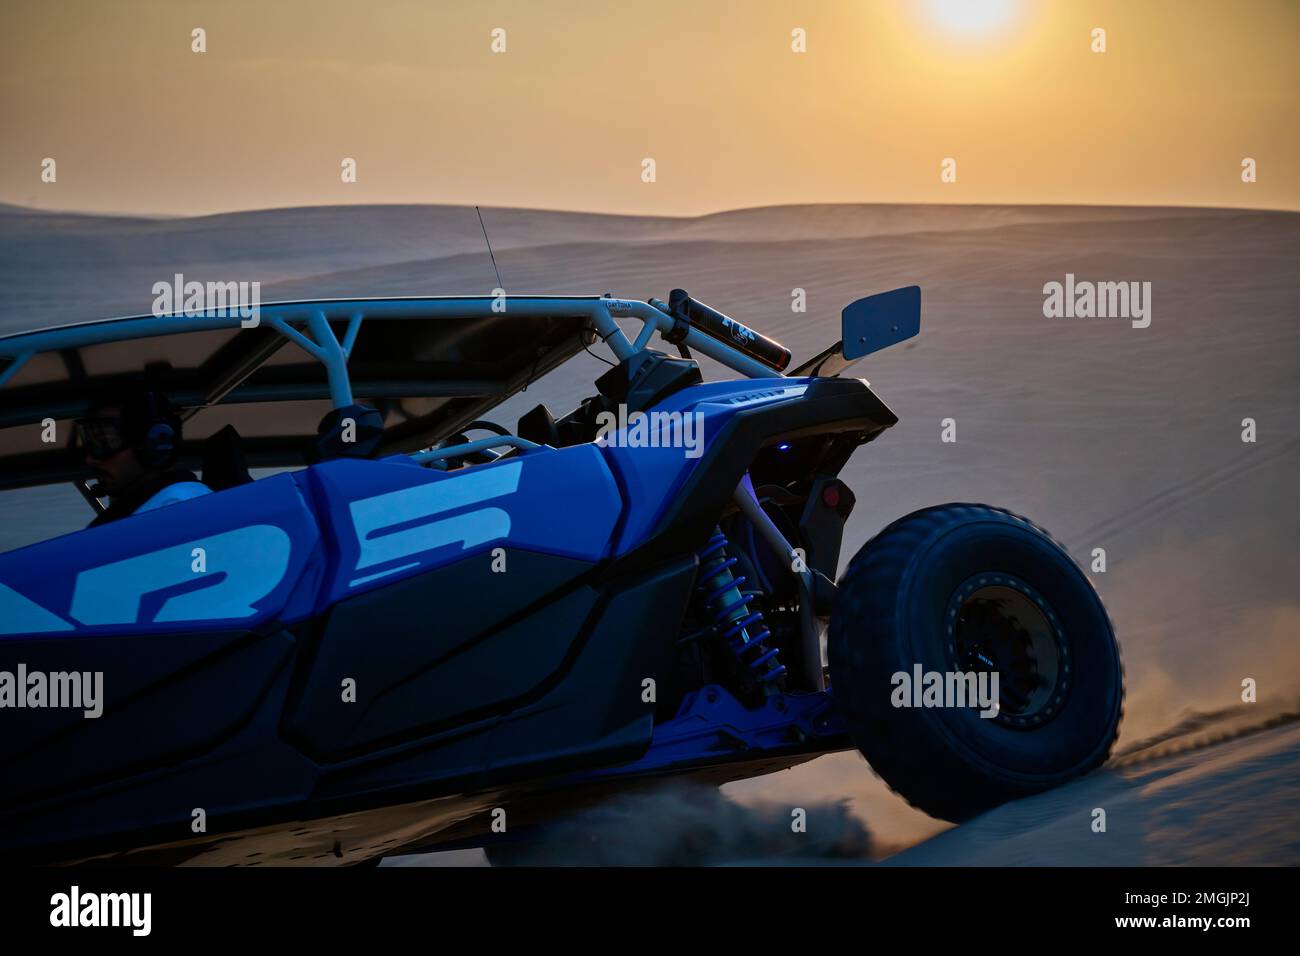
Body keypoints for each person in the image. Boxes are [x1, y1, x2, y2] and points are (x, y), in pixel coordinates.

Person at [75, 388, 211, 527]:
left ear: (156, 443)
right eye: (92, 444)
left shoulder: (179, 508)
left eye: (105, 442)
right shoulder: (132, 517)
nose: (90, 459)